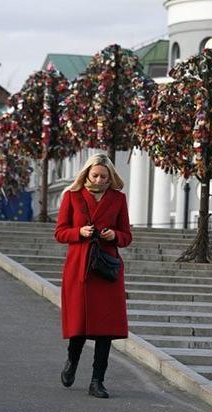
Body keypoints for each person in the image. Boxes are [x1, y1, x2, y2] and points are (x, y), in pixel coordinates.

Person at [54, 153, 132, 398]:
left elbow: (127, 236)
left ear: (111, 177)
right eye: (95, 175)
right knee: (80, 324)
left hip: (106, 269)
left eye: (104, 177)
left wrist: (114, 236)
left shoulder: (118, 199)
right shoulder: (72, 196)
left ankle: (97, 381)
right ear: (86, 173)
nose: (99, 180)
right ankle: (72, 361)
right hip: (79, 268)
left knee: (105, 328)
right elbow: (60, 232)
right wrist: (80, 231)